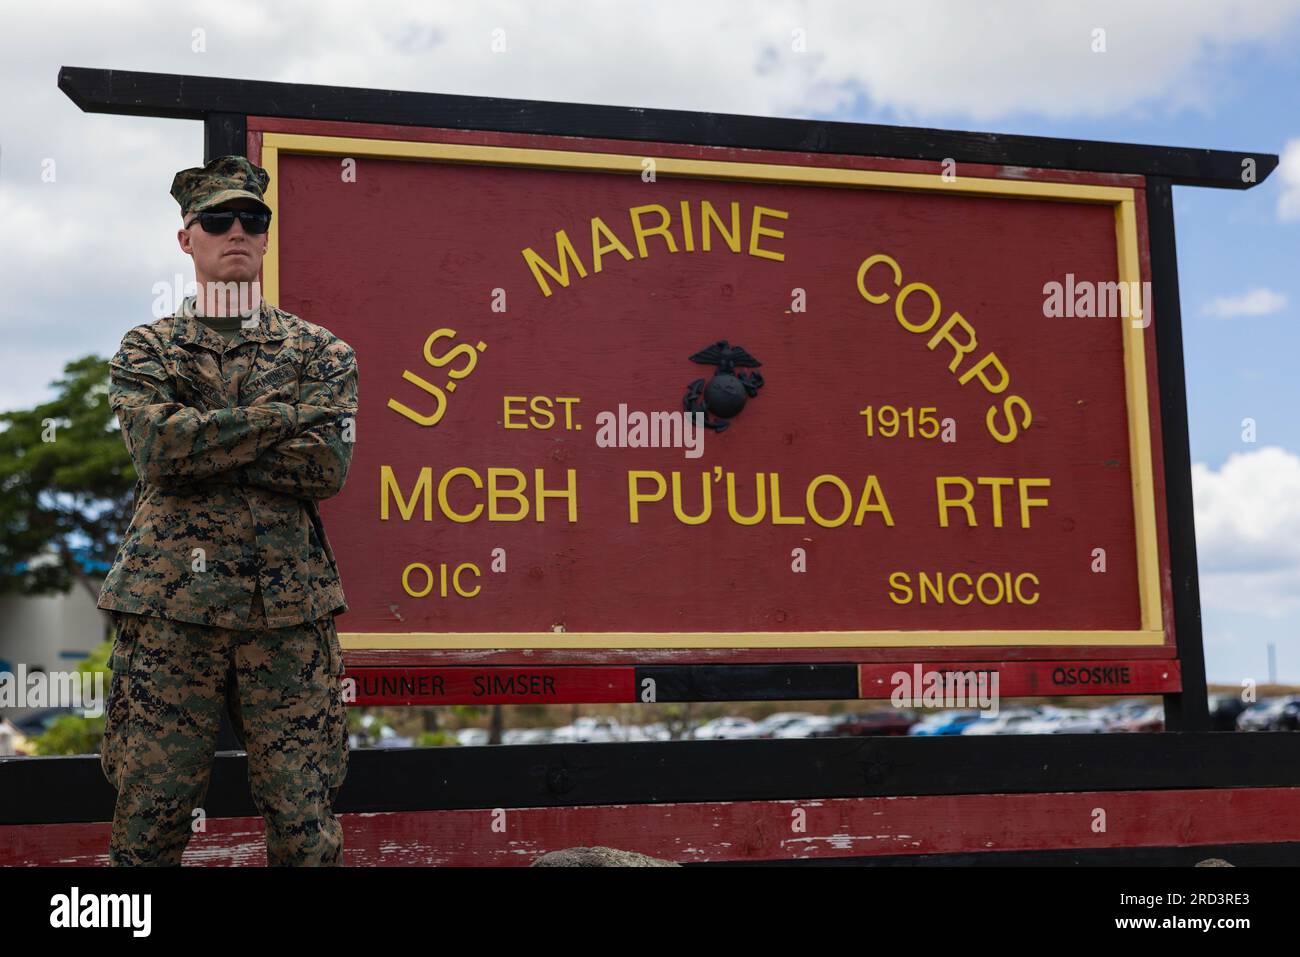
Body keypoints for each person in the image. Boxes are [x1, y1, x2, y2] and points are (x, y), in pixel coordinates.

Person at [97, 154, 358, 866]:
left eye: (253, 218)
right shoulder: (146, 347)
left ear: (268, 237)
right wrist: (284, 416)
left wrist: (204, 437)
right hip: (170, 612)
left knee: (306, 830)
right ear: (188, 239)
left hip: (288, 613)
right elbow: (157, 449)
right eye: (217, 219)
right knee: (148, 826)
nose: (236, 230)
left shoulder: (322, 352)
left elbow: (325, 464)